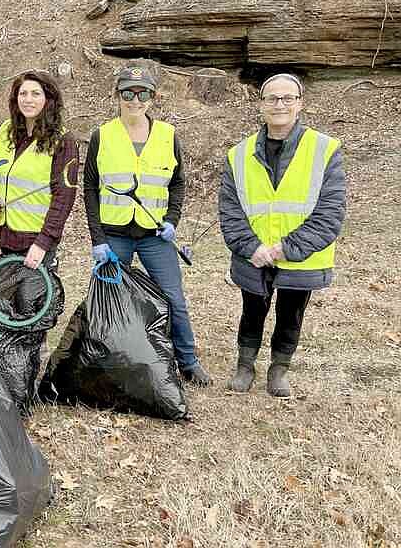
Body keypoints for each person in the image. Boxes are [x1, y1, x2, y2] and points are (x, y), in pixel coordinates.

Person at [219, 73, 345, 397]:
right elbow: (230, 211)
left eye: (287, 98)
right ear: (261, 105)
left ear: (300, 103)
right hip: (254, 256)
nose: (280, 104)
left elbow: (329, 213)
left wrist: (286, 249)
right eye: (272, 98)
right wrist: (252, 247)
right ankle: (245, 365)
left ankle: (279, 369)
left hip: (298, 258)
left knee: (291, 314)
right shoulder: (238, 155)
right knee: (251, 312)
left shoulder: (324, 149)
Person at [85, 65, 212, 386]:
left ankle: (188, 361)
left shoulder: (168, 135)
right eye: (127, 92)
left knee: (173, 298)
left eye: (142, 93)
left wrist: (171, 221)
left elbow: (178, 184)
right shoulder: (102, 135)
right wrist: (97, 239)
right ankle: (104, 360)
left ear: (152, 98)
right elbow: (89, 188)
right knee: (108, 298)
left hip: (155, 238)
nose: (135, 99)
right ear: (117, 96)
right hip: (114, 235)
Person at [0, 70, 79, 268]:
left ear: (48, 99)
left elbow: (64, 198)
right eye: (23, 93)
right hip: (6, 235)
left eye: (36, 94)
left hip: (37, 240)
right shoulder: (4, 131)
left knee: (34, 298)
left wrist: (43, 243)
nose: (28, 99)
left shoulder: (62, 140)